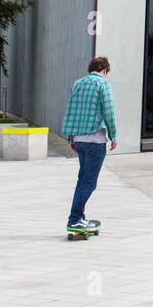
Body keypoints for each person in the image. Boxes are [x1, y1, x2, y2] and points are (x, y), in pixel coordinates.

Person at [62, 56, 118, 240]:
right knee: (89, 182)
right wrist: (113, 135)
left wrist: (71, 137)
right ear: (104, 69)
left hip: (79, 139)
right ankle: (74, 219)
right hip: (95, 139)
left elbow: (70, 110)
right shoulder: (102, 84)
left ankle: (79, 217)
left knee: (82, 179)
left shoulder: (77, 84)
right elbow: (108, 111)